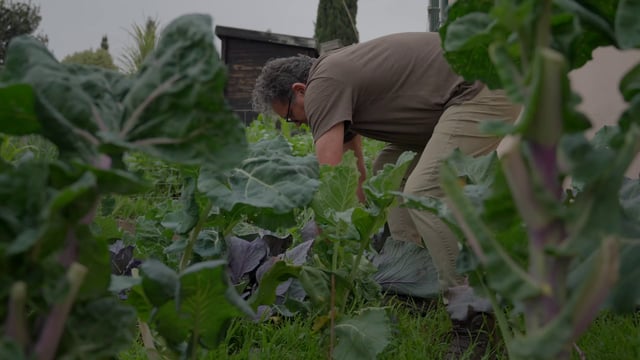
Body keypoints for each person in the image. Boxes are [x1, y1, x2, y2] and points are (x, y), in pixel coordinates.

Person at [252, 32, 520, 358]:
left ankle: (474, 322)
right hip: (458, 95)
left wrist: (326, 256)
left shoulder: (323, 82)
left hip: (484, 87)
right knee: (388, 170)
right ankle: (415, 282)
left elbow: (330, 179)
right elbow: (357, 175)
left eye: (292, 117)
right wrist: (357, 235)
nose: (298, 125)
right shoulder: (337, 81)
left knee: (425, 189)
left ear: (299, 90)